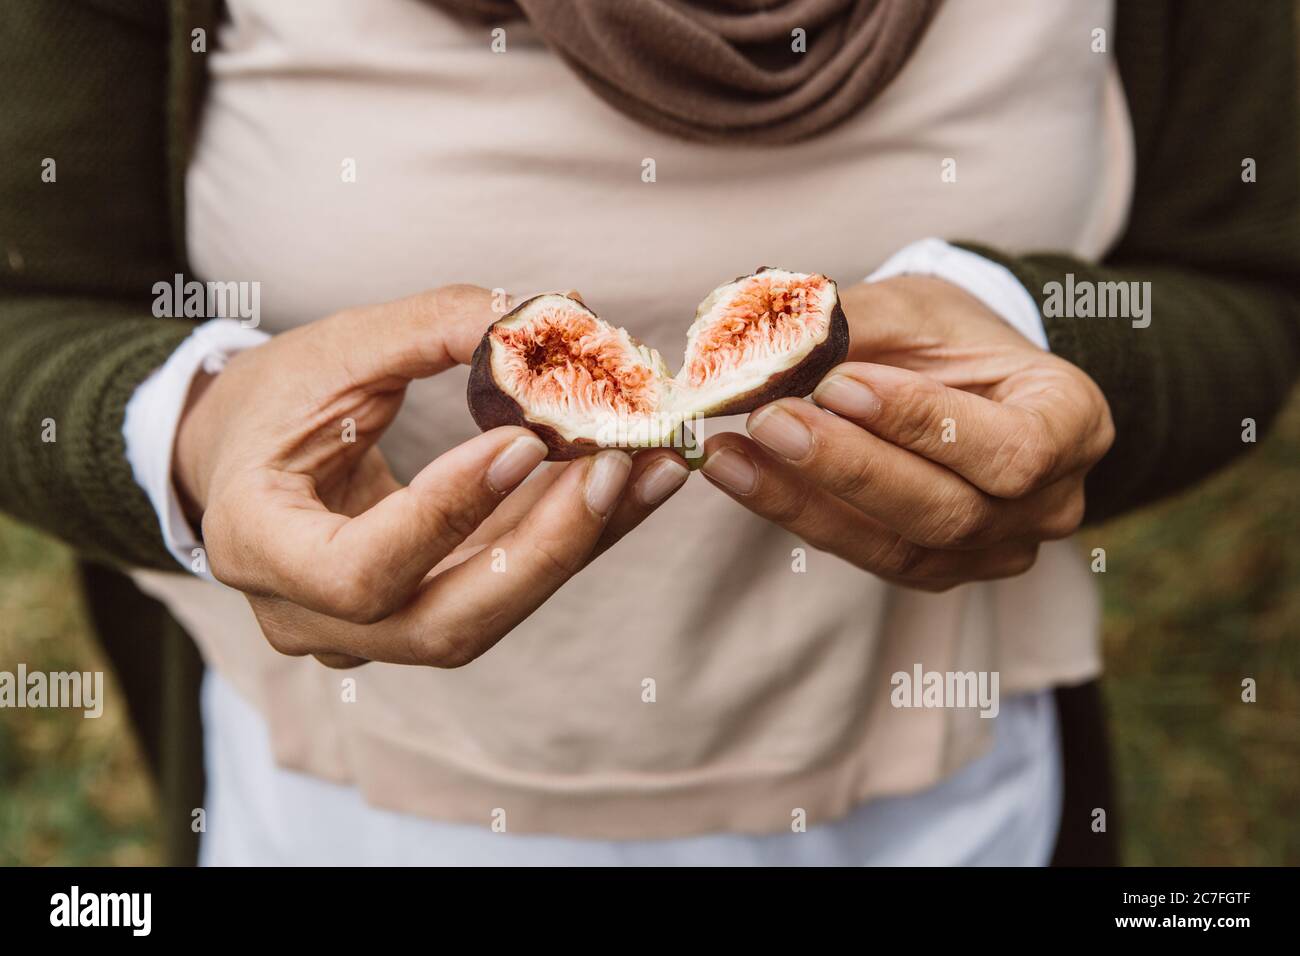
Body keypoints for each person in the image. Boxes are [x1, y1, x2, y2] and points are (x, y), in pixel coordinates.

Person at [1, 0, 1296, 865]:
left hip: (940, 796)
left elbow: (1244, 275)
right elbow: (27, 308)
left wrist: (1050, 351)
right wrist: (189, 434)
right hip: (346, 806)